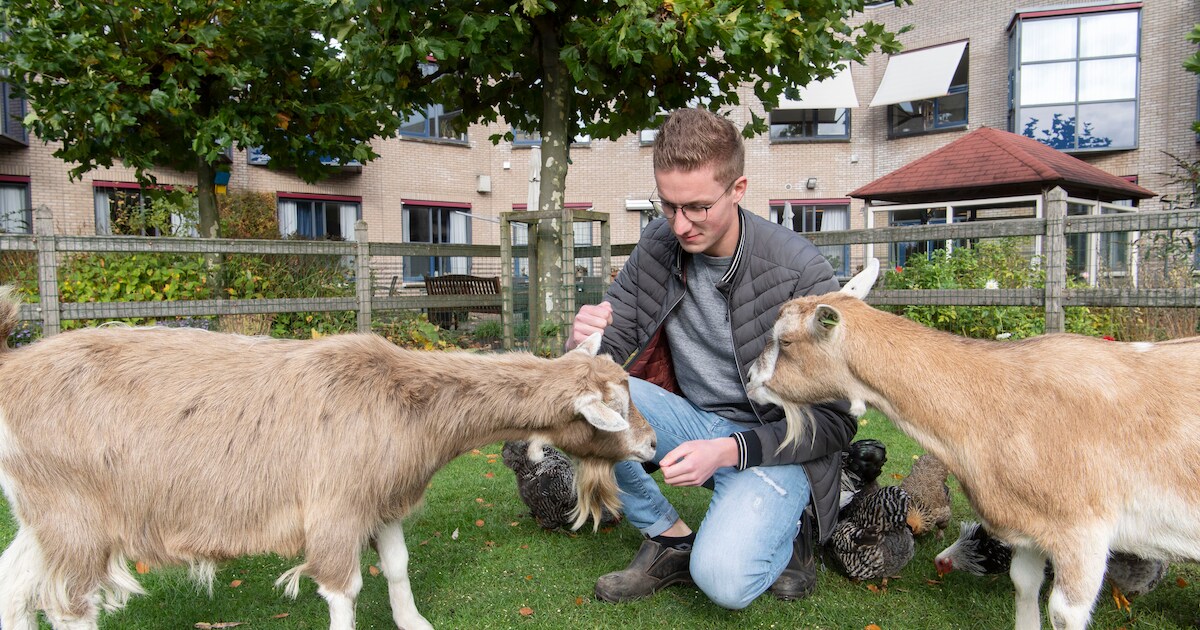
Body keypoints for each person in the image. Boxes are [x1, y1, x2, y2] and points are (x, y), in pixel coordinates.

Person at [566, 107, 857, 609]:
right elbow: (598, 360)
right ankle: (670, 535)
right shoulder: (658, 245)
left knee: (723, 584)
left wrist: (728, 453)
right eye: (668, 205)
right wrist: (582, 344)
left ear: (738, 188)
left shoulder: (800, 270)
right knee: (578, 394)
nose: (680, 225)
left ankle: (794, 526)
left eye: (698, 207)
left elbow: (835, 422)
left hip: (775, 444)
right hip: (690, 418)